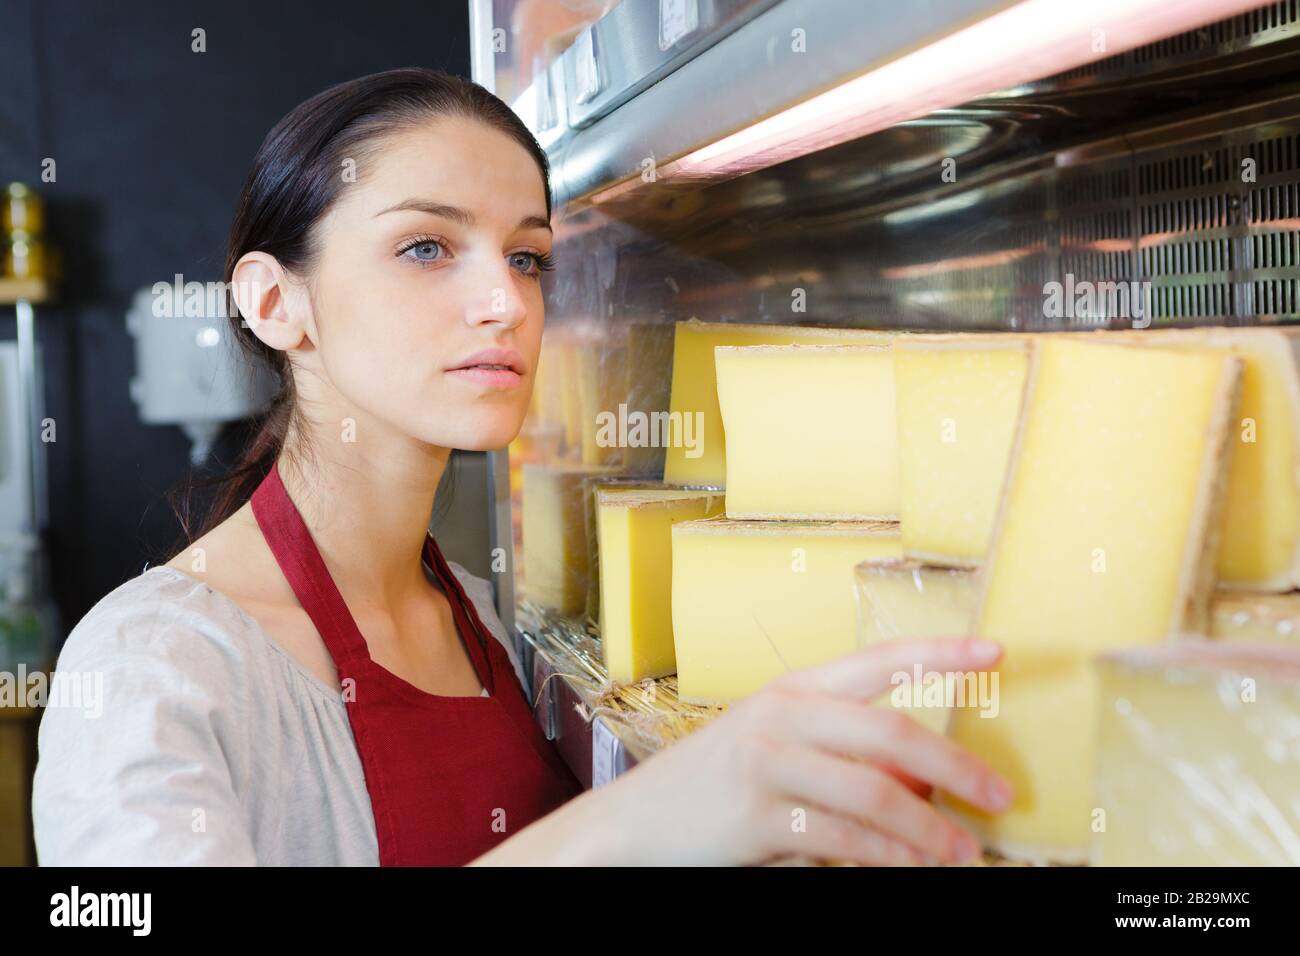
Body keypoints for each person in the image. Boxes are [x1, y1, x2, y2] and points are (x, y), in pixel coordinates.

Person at [31, 67, 1011, 866]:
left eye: (528, 256)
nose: (504, 301)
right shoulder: (152, 668)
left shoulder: (467, 610)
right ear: (275, 303)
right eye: (425, 246)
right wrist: (632, 823)